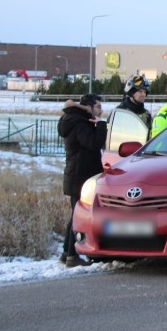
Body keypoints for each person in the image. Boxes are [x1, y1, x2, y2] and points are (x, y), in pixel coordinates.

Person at [57, 93, 107, 267]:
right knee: (78, 216)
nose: (101, 110)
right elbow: (94, 143)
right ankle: (72, 255)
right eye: (98, 107)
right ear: (89, 108)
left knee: (74, 216)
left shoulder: (74, 121)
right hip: (81, 177)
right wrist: (101, 126)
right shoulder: (81, 124)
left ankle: (66, 253)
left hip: (76, 175)